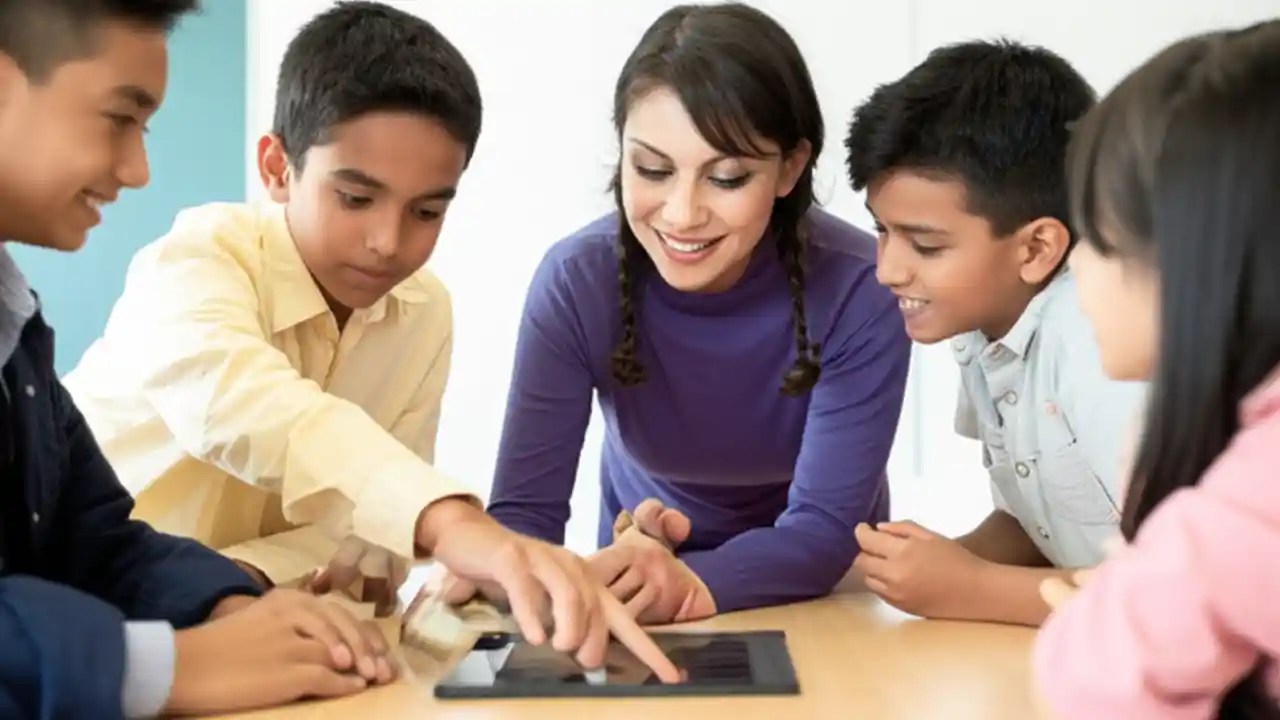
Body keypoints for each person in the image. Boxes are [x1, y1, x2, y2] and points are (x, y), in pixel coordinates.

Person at [62, 0, 678, 681]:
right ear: (277, 167)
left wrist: (256, 580)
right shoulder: (191, 262)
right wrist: (449, 523)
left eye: (426, 211)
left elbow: (367, 544)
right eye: (355, 199)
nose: (388, 242)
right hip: (94, 632)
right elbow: (246, 411)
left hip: (265, 640)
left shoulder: (423, 313)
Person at [0, 0, 403, 716]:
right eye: (118, 119)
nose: (138, 170)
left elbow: (97, 542)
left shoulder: (15, 324)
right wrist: (163, 667)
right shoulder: (196, 261)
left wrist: (230, 607)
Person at [485, 2, 911, 623]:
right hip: (641, 586)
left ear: (790, 168)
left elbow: (822, 532)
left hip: (818, 595)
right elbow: (523, 518)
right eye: (652, 169)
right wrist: (500, 571)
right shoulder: (576, 281)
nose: (682, 214)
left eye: (728, 177)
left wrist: (688, 579)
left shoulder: (861, 287)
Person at [844, 39, 1147, 627]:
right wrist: (925, 566)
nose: (887, 270)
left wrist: (972, 587)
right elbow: (1036, 521)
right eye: (881, 230)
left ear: (1036, 248)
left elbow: (1185, 592)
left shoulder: (1099, 345)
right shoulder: (988, 330)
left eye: (925, 245)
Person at [1034, 20, 1280, 719]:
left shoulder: (1256, 489)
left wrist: (1108, 607)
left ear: (1191, 255)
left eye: (1096, 237)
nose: (1077, 267)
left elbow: (1095, 683)